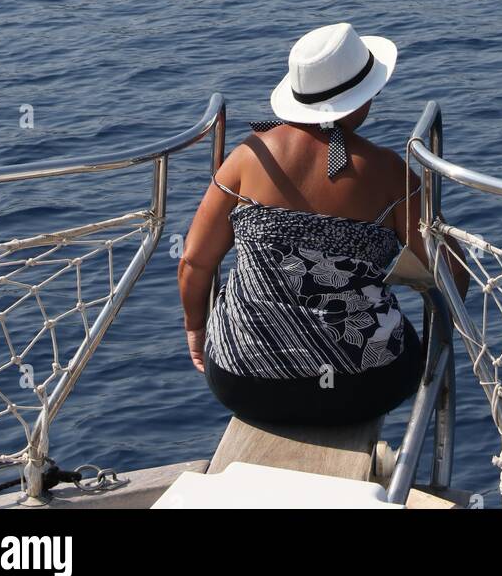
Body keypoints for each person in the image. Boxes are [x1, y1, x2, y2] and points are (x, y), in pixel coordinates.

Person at [177, 21, 468, 427]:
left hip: (243, 381)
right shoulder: (388, 171)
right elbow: (450, 271)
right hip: (366, 384)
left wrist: (196, 330)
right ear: (362, 99)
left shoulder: (249, 156)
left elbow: (194, 261)